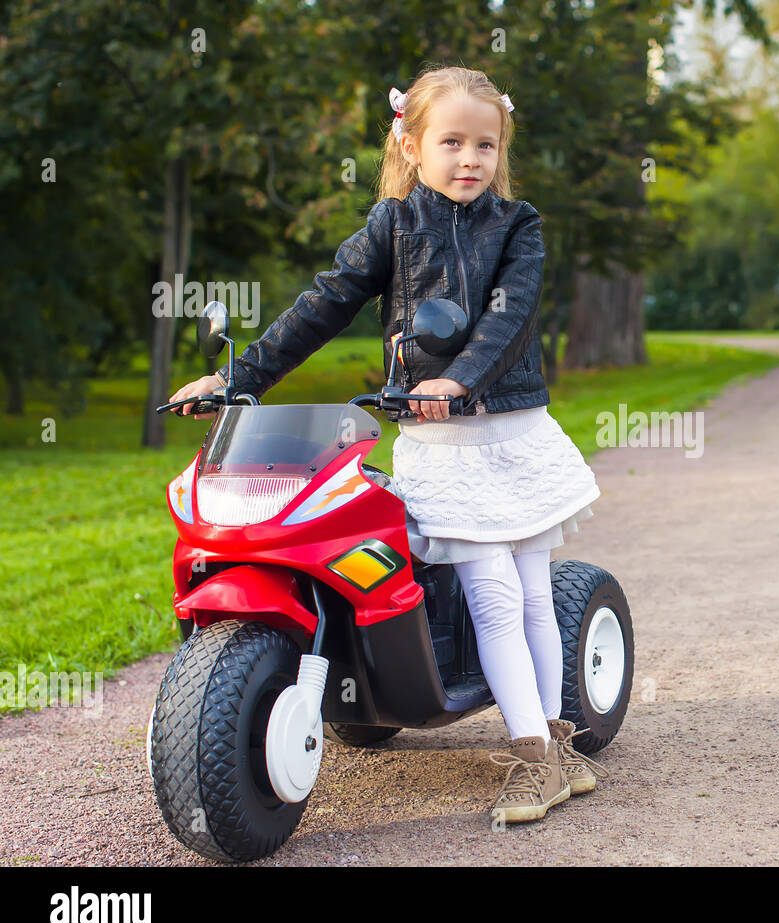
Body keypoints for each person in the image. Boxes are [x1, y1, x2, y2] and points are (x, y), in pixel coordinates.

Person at [168, 65, 607, 826]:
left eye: (485, 145)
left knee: (533, 595)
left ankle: (549, 754)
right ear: (410, 144)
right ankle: (538, 748)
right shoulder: (392, 227)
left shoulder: (520, 225)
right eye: (452, 142)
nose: (470, 159)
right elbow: (323, 305)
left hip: (507, 428)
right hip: (441, 448)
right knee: (494, 598)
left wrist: (457, 380)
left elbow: (508, 319)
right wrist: (233, 378)